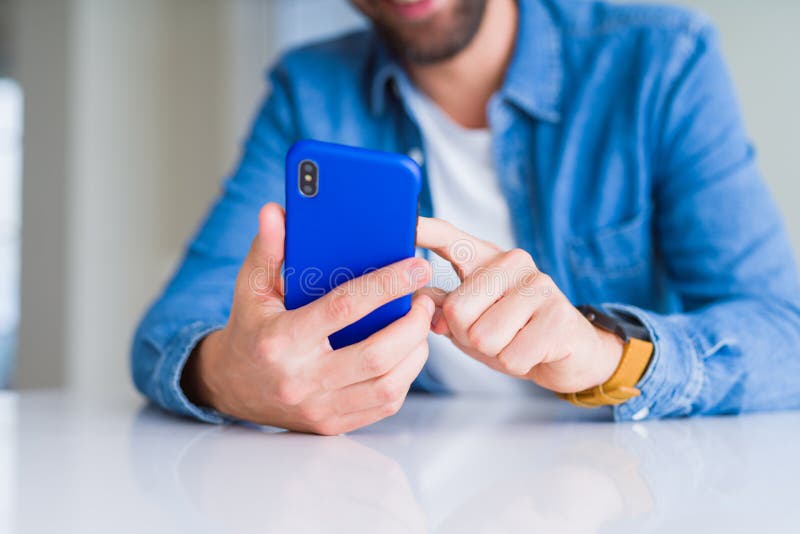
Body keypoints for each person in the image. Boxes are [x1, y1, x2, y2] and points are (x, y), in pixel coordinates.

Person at [132, 0, 800, 434]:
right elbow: (167, 331)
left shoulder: (660, 61)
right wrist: (230, 376)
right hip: (389, 482)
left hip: (627, 484)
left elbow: (786, 334)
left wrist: (602, 356)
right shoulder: (309, 88)